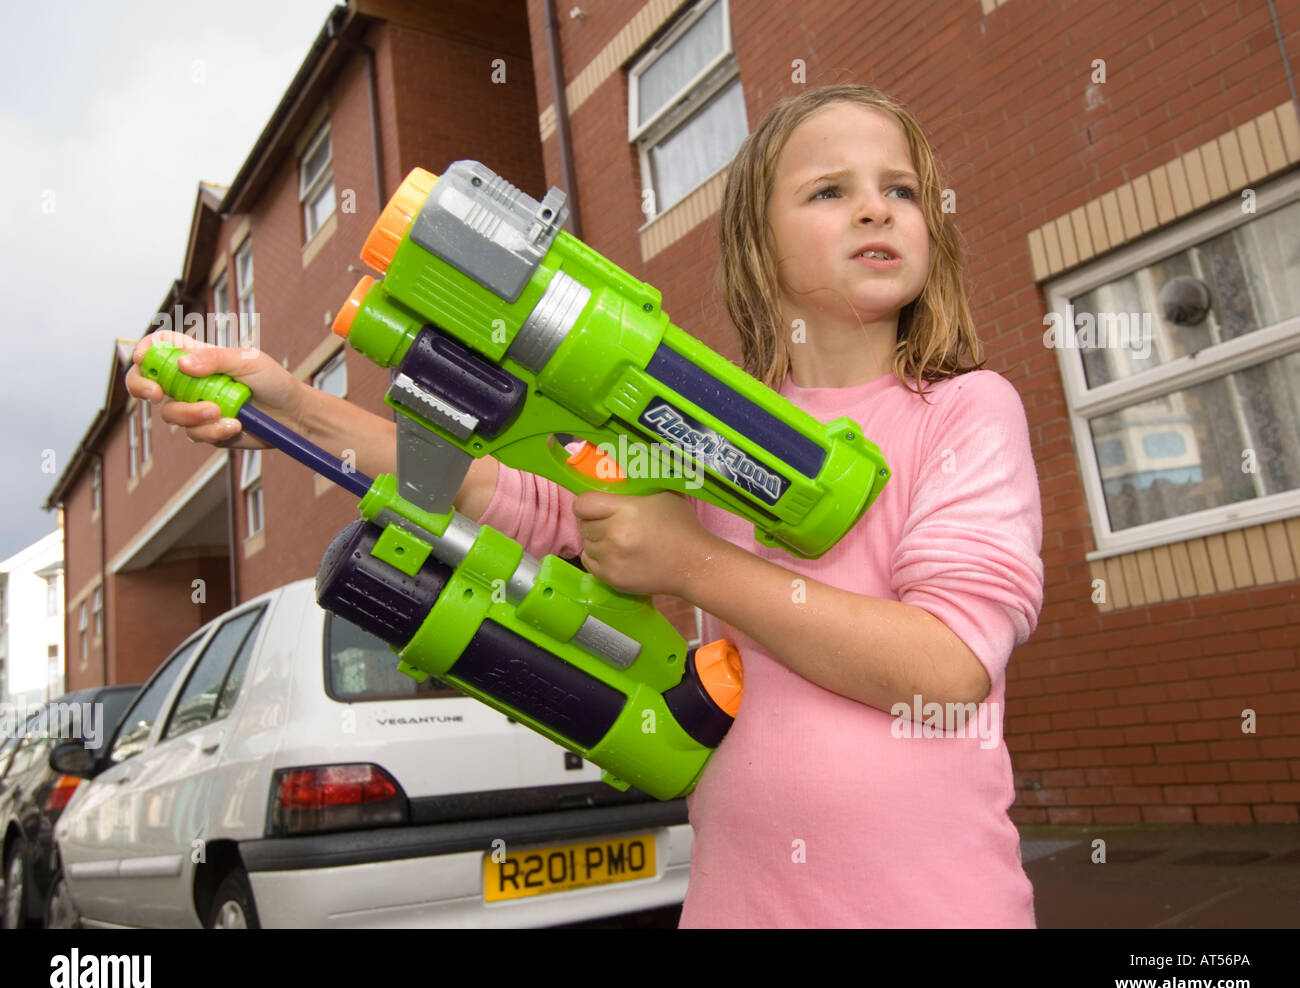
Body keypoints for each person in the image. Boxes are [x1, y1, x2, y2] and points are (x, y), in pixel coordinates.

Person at [127, 84, 1044, 929]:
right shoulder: (700, 433)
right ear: (757, 245)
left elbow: (949, 667)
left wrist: (690, 562)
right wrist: (288, 405)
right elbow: (515, 497)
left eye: (903, 190)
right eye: (828, 192)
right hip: (739, 902)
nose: (877, 208)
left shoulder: (964, 410)